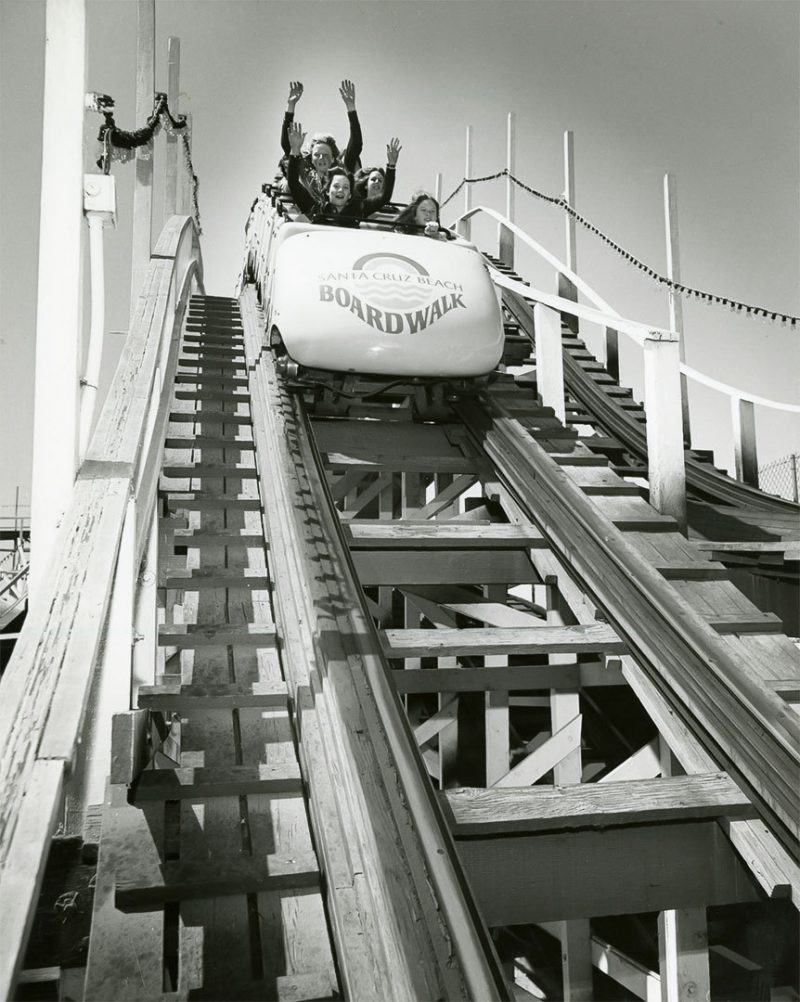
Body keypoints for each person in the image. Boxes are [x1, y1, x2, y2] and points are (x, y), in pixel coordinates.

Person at [286, 122, 400, 226]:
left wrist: (391, 166)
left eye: (345, 187)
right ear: (327, 191)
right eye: (336, 186)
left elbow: (385, 196)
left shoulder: (358, 210)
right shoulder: (315, 208)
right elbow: (293, 183)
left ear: (350, 194)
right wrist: (295, 150)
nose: (340, 190)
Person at [280, 80, 363, 201]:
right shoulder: (306, 172)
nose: (321, 158)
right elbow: (288, 146)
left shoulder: (340, 172)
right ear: (311, 159)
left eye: (325, 155)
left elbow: (355, 146)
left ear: (333, 158)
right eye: (317, 155)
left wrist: (351, 107)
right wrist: (291, 105)